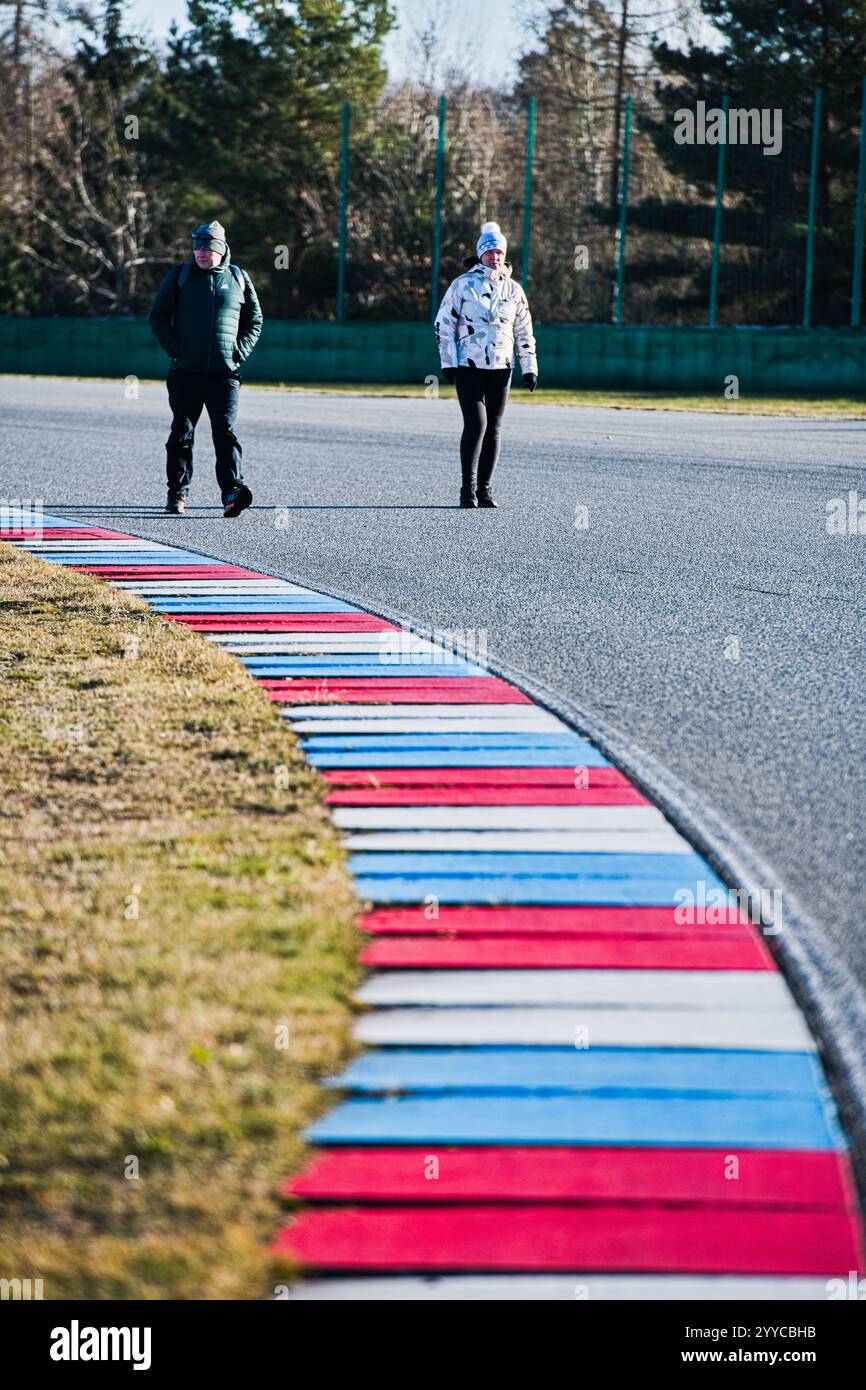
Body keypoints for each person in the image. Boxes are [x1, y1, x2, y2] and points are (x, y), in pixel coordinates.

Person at [149, 221, 263, 517]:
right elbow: (158, 316)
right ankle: (177, 495)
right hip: (185, 373)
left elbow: (255, 321)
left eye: (208, 247)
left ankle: (232, 492)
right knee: (181, 433)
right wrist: (178, 350)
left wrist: (238, 353)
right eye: (198, 247)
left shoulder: (238, 278)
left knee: (225, 433)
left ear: (221, 249)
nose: (201, 252)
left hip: (225, 376)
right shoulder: (181, 276)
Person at [434, 221, 538, 509]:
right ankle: (467, 489)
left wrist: (529, 367)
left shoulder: (514, 290)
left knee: (494, 427)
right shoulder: (463, 285)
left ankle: (485, 489)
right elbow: (444, 324)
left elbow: (523, 330)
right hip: (469, 365)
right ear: (480, 254)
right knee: (476, 424)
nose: (495, 257)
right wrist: (448, 362)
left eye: (499, 252)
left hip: (501, 367)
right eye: (490, 252)